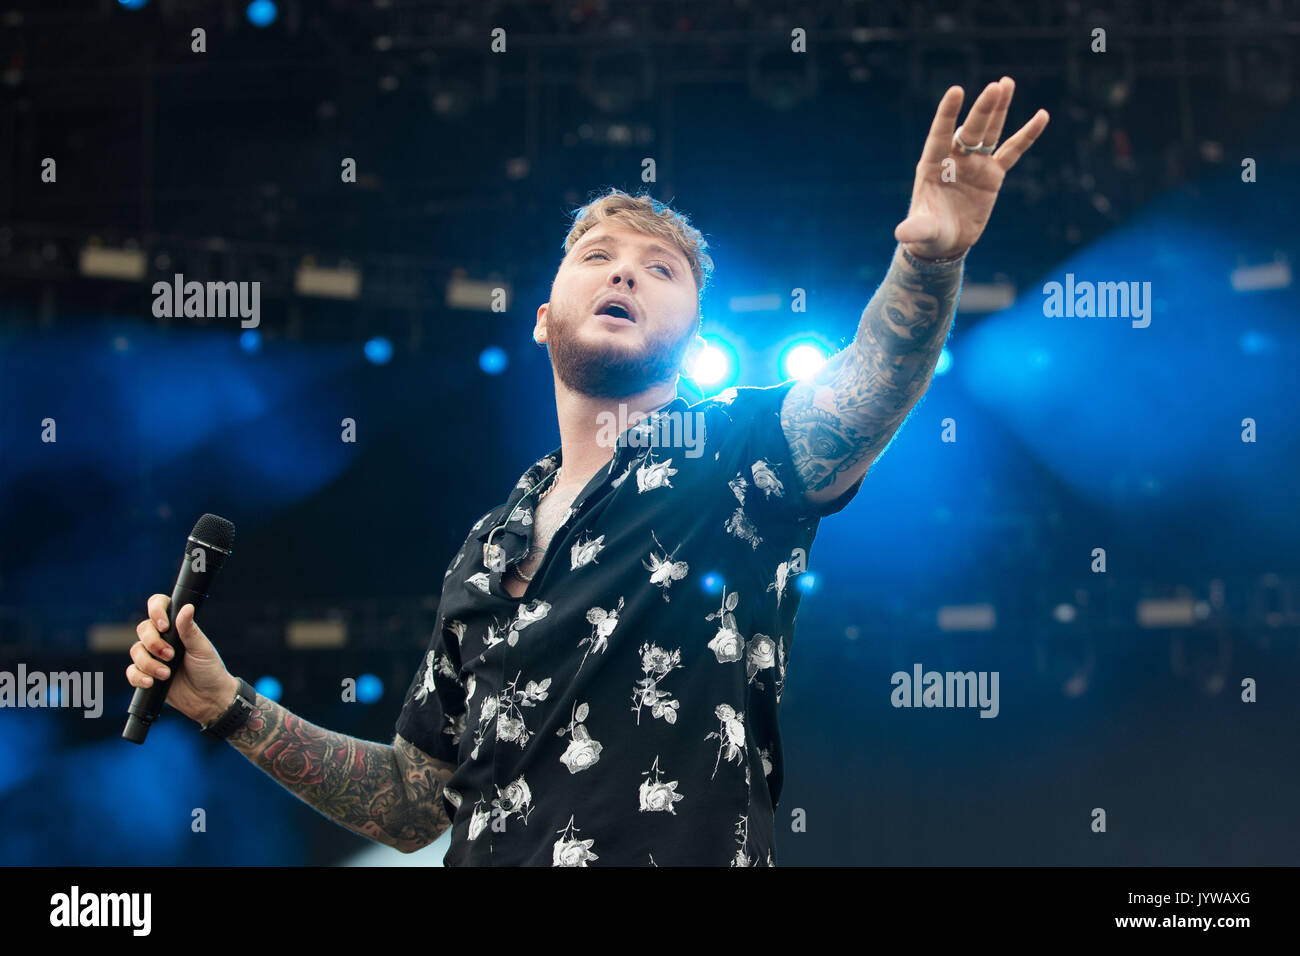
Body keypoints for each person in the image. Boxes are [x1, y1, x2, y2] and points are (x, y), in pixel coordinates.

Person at [126, 78, 1048, 866]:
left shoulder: (734, 451)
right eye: (597, 257)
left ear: (690, 337)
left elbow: (867, 392)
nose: (626, 274)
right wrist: (227, 706)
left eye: (661, 270)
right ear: (542, 316)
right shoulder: (487, 548)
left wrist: (930, 262)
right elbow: (413, 801)